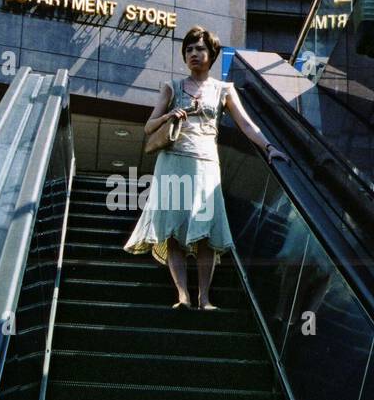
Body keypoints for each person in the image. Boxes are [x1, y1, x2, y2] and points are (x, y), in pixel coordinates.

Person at [123, 25, 287, 309]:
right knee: (174, 231)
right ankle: (183, 296)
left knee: (206, 234)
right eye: (188, 50)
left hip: (206, 165)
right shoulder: (171, 87)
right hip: (173, 161)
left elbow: (246, 124)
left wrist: (269, 147)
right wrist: (168, 117)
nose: (193, 54)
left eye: (199, 49)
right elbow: (149, 126)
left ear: (212, 54)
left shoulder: (224, 90)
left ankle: (205, 297)